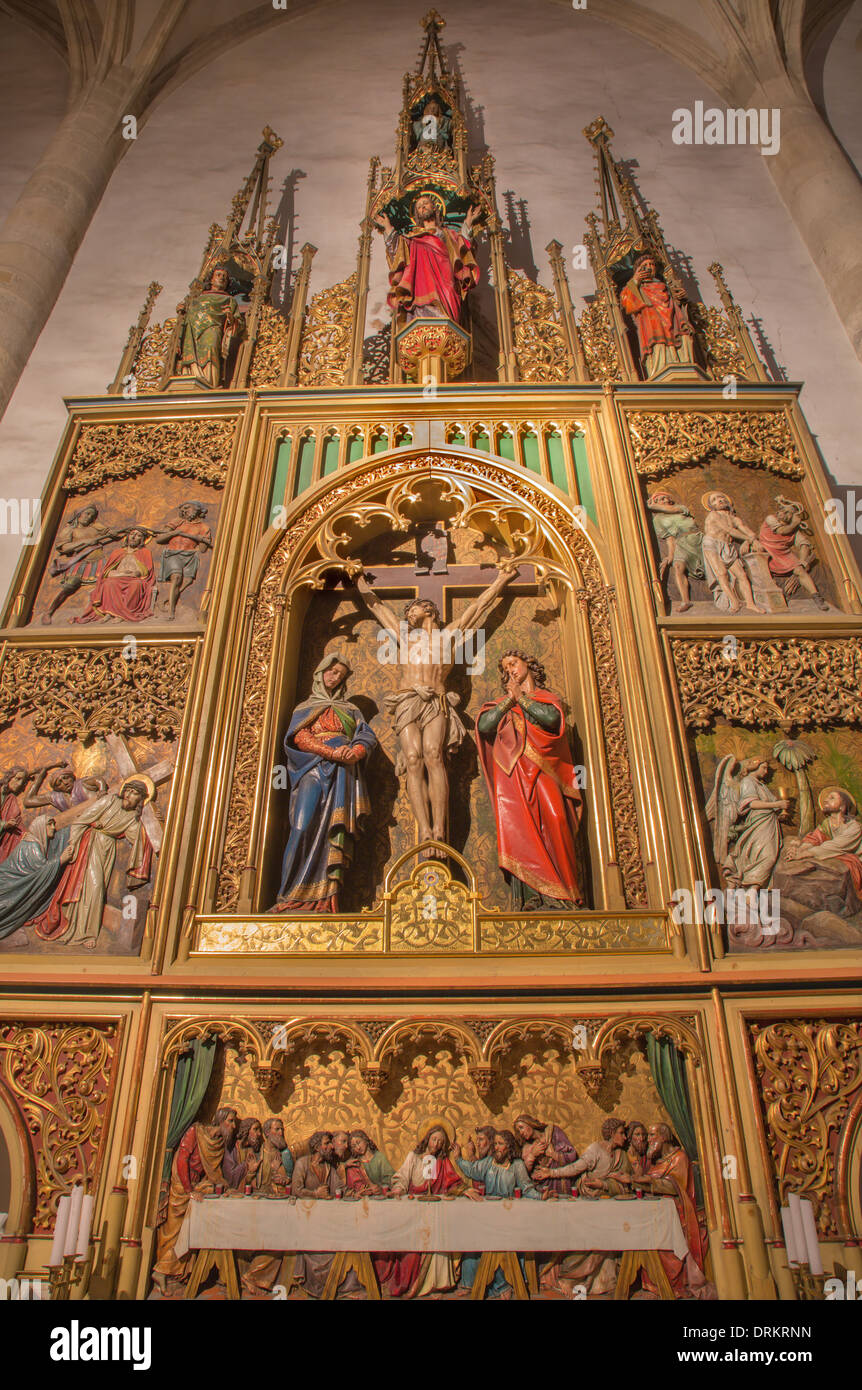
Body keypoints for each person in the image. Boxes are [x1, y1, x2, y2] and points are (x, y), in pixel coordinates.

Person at [353, 566, 513, 848]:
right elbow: (376, 606)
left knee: (433, 754)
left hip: (437, 701)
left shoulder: (449, 636)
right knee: (413, 759)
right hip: (407, 700)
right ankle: (424, 829)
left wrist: (502, 578)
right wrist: (357, 578)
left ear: (427, 609)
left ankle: (439, 827)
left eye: (411, 610)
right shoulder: (404, 637)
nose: (407, 614)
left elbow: (479, 607)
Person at [477, 650, 584, 909]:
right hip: (513, 780)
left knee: (556, 820)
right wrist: (509, 701)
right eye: (505, 669)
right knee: (520, 832)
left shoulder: (547, 699)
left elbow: (551, 720)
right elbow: (484, 726)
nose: (510, 671)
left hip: (545, 773)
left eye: (513, 664)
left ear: (528, 665)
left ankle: (563, 895)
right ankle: (531, 898)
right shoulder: (502, 704)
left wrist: (521, 700)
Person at [272, 654, 377, 912]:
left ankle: (326, 901)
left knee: (335, 828)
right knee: (301, 825)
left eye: (340, 674)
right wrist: (332, 752)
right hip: (313, 769)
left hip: (343, 772)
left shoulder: (351, 711)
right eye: (332, 671)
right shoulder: (305, 708)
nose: (335, 677)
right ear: (320, 672)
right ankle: (290, 894)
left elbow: (367, 737)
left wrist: (355, 752)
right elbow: (300, 738)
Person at [31, 778, 155, 949]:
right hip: (89, 844)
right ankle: (81, 932)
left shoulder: (132, 820)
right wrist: (73, 843)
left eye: (134, 794)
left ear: (140, 800)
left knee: (97, 889)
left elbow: (139, 841)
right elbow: (83, 819)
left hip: (106, 850)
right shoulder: (109, 800)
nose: (129, 795)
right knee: (89, 888)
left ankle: (85, 931)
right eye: (128, 791)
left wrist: (152, 829)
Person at [153, 1106, 240, 1291]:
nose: (233, 1126)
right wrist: (188, 1190)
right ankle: (161, 1271)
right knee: (176, 1230)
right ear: (220, 1120)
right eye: (230, 1121)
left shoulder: (217, 1143)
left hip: (196, 1185)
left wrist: (223, 1187)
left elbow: (213, 1173)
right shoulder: (196, 1132)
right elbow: (182, 1159)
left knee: (191, 1228)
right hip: (182, 1184)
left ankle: (178, 1274)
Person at [376, 1122, 466, 1297]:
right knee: (410, 1247)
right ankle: (414, 1285)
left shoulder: (441, 1161)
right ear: (427, 1139)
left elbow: (453, 1181)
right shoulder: (414, 1157)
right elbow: (402, 1177)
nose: (437, 1144)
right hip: (415, 1209)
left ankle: (437, 1284)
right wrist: (398, 1188)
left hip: (436, 1211)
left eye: (441, 1141)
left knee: (441, 1238)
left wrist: (463, 1189)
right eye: (434, 1139)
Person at [454, 1129, 546, 1299]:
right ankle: (471, 1282)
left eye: (500, 1144)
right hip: (489, 1215)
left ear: (509, 1147)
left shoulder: (517, 1165)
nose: (496, 1147)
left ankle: (504, 1285)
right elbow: (473, 1169)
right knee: (473, 1236)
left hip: (509, 1216)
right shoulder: (489, 1162)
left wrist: (542, 1196)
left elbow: (527, 1188)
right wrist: (459, 1158)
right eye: (495, 1143)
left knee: (505, 1243)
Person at [376, 193, 480, 325]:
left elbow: (463, 247)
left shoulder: (448, 233)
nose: (422, 207)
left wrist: (468, 222)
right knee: (420, 308)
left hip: (445, 276)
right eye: (419, 206)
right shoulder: (412, 238)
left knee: (449, 298)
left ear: (435, 207)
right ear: (417, 214)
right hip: (421, 279)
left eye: (425, 203)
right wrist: (388, 228)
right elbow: (398, 255)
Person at [640, 1123, 711, 1299]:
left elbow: (677, 1187)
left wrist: (649, 1182)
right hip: (659, 1212)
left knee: (662, 1238)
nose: (648, 1140)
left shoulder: (679, 1158)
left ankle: (673, 1284)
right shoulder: (659, 1160)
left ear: (664, 1137)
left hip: (678, 1213)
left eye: (652, 1135)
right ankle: (655, 1283)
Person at [290, 1131, 360, 1299]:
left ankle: (342, 1287)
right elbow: (296, 1190)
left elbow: (340, 1189)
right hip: (307, 1220)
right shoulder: (302, 1164)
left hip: (325, 1220)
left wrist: (353, 1194)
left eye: (330, 1143)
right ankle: (320, 1288)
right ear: (316, 1146)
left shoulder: (328, 1168)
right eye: (327, 1143)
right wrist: (315, 1194)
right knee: (324, 1251)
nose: (331, 1147)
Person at [774, 788, 862, 919]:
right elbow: (814, 839)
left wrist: (807, 853)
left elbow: (837, 846)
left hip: (853, 863)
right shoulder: (827, 824)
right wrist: (799, 849)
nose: (826, 800)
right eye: (827, 798)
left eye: (832, 798)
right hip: (830, 856)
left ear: (843, 806)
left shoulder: (854, 826)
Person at [620, 250, 696, 379]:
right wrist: (635, 281)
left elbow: (675, 306)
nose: (650, 267)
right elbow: (627, 302)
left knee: (681, 335)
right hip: (652, 324)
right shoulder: (636, 287)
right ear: (638, 270)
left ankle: (682, 361)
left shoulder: (664, 287)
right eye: (646, 265)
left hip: (672, 321)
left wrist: (680, 300)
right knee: (658, 342)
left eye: (652, 264)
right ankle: (660, 366)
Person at [42, 505, 120, 624]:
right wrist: (84, 542)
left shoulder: (95, 527)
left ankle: (109, 613)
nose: (89, 517)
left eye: (92, 516)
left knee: (109, 584)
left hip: (98, 561)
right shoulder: (70, 530)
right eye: (87, 513)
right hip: (80, 561)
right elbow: (64, 547)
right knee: (69, 586)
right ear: (79, 514)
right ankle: (49, 612)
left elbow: (112, 533)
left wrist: (113, 533)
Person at [0, 814, 73, 940]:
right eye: (49, 824)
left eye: (53, 824)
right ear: (40, 827)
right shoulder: (32, 846)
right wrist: (60, 860)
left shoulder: (33, 843)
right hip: (6, 884)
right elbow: (41, 871)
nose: (53, 827)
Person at [73, 527, 156, 624]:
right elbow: (107, 571)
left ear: (142, 540)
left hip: (134, 579)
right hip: (117, 577)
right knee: (108, 583)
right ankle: (109, 613)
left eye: (138, 535)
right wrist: (122, 573)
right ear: (127, 536)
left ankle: (123, 614)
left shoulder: (145, 552)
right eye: (132, 534)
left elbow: (146, 570)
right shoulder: (117, 552)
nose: (134, 537)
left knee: (136, 584)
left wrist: (136, 573)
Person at [701, 491, 766, 614]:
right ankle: (734, 602)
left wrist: (750, 541)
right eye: (714, 499)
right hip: (712, 545)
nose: (719, 500)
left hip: (728, 547)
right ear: (711, 505)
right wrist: (748, 540)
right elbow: (729, 530)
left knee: (742, 575)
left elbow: (749, 532)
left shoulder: (734, 518)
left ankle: (751, 604)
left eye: (721, 497)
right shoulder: (713, 515)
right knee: (722, 574)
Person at [178, 266, 244, 387]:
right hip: (192, 331)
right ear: (211, 280)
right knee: (190, 354)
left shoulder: (229, 300)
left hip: (213, 328)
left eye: (224, 277)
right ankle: (190, 376)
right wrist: (182, 312)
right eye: (218, 275)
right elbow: (186, 318)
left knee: (211, 349)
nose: (222, 278)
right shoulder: (198, 298)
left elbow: (239, 324)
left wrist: (230, 318)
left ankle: (209, 381)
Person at [758, 497, 829, 610]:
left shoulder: (794, 531)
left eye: (789, 513)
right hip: (766, 552)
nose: (785, 514)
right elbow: (781, 531)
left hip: (784, 555)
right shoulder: (771, 519)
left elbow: (804, 544)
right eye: (783, 511)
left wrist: (803, 561)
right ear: (778, 512)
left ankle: (816, 597)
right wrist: (795, 523)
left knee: (800, 570)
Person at [533, 1116, 633, 1195]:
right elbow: (575, 1167)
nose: (624, 1137)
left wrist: (606, 1184)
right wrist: (552, 1173)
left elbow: (628, 1179)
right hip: (591, 1191)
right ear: (612, 1133)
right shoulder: (596, 1149)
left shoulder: (621, 1155)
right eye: (621, 1133)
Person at [152, 502, 213, 620]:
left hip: (190, 555)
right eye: (182, 509)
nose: (184, 511)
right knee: (177, 577)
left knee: (188, 580)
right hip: (173, 553)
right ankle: (171, 612)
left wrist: (202, 540)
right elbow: (159, 539)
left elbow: (203, 549)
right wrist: (176, 532)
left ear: (196, 509)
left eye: (187, 508)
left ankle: (166, 599)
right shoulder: (177, 522)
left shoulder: (203, 527)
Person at [647, 491, 705, 612]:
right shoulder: (658, 520)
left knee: (710, 567)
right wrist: (670, 556)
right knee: (678, 567)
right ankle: (685, 600)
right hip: (681, 542)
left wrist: (653, 506)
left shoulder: (680, 508)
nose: (664, 501)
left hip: (695, 538)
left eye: (666, 498)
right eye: (660, 499)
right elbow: (670, 538)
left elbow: (672, 510)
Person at [513, 1113, 579, 1195]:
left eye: (521, 1127)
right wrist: (532, 1156)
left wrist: (553, 1154)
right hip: (543, 1186)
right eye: (518, 1131)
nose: (521, 1132)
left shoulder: (553, 1132)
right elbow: (524, 1175)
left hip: (561, 1182)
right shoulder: (527, 1148)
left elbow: (573, 1157)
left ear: (529, 1123)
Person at [345, 1129, 395, 1194]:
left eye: (359, 1142)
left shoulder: (379, 1158)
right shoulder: (355, 1163)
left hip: (381, 1194)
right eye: (354, 1146)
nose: (358, 1147)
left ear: (365, 1140)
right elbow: (354, 1185)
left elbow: (389, 1177)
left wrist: (380, 1188)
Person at [0, 767, 32, 863]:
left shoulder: (10, 797)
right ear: (9, 778)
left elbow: (17, 819)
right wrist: (4, 825)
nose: (19, 784)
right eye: (17, 779)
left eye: (24, 782)